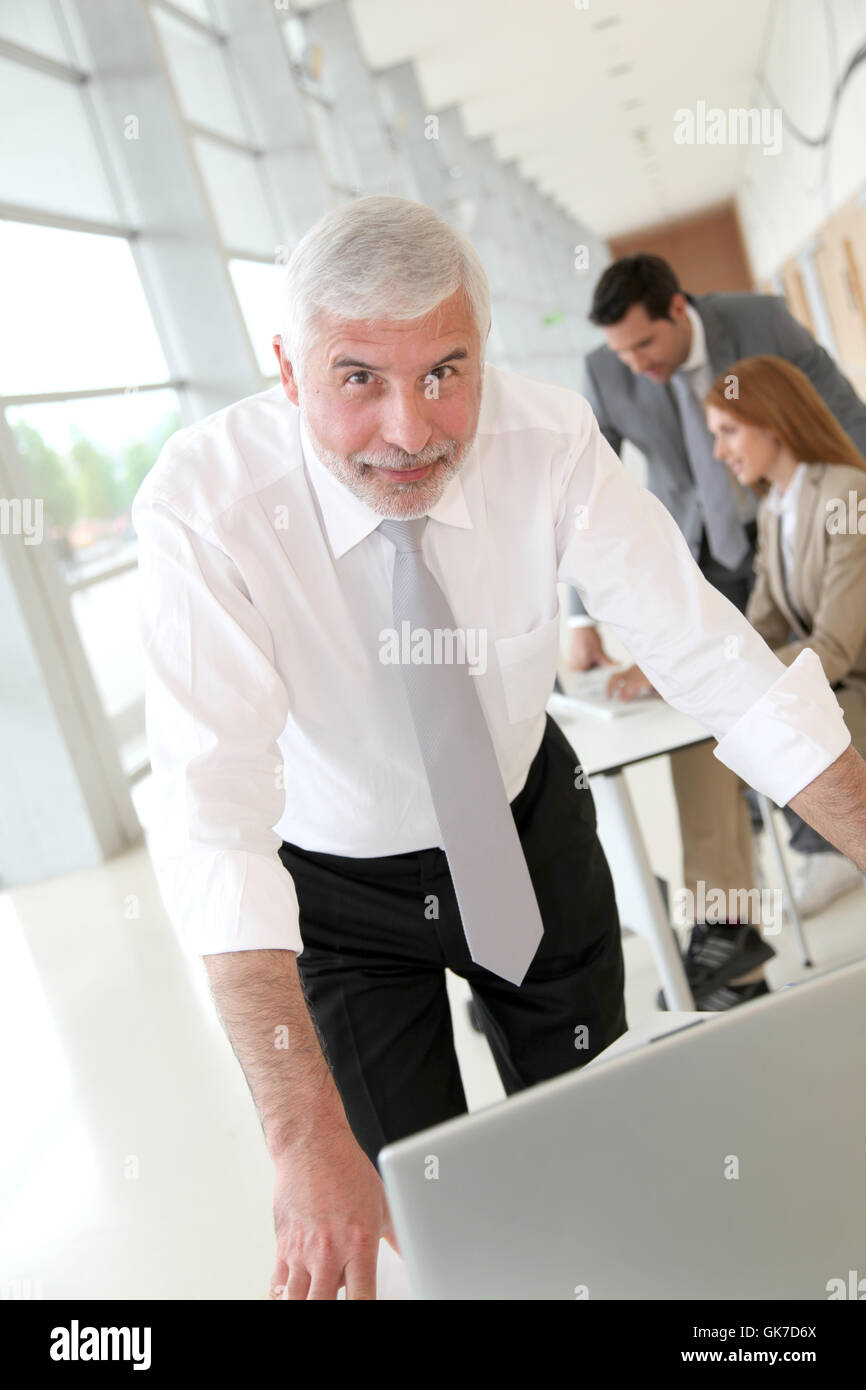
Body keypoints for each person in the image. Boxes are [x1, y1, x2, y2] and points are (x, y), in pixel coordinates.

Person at [131, 198, 866, 1300]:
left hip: (524, 827)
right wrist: (295, 1134)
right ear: (287, 368)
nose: (411, 429)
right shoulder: (205, 507)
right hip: (333, 885)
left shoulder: (546, 437)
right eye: (357, 380)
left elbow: (710, 656)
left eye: (443, 370)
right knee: (418, 1186)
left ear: (484, 343)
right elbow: (212, 819)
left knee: (594, 1131)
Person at [569, 255, 866, 1004]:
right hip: (709, 551)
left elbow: (840, 412)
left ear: (676, 309)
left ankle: (735, 917)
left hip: (837, 640)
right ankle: (732, 931)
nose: (635, 366)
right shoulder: (779, 509)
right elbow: (576, 503)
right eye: (621, 355)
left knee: (727, 711)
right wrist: (667, 662)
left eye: (645, 346)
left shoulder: (759, 332)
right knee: (708, 708)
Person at [704, 355, 866, 913]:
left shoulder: (848, 495)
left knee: (764, 728)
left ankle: (820, 855)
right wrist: (707, 665)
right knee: (717, 735)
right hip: (839, 687)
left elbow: (836, 649)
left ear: (772, 421)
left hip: (856, 688)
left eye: (729, 431)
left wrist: (754, 686)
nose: (720, 452)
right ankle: (730, 913)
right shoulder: (776, 508)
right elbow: (762, 623)